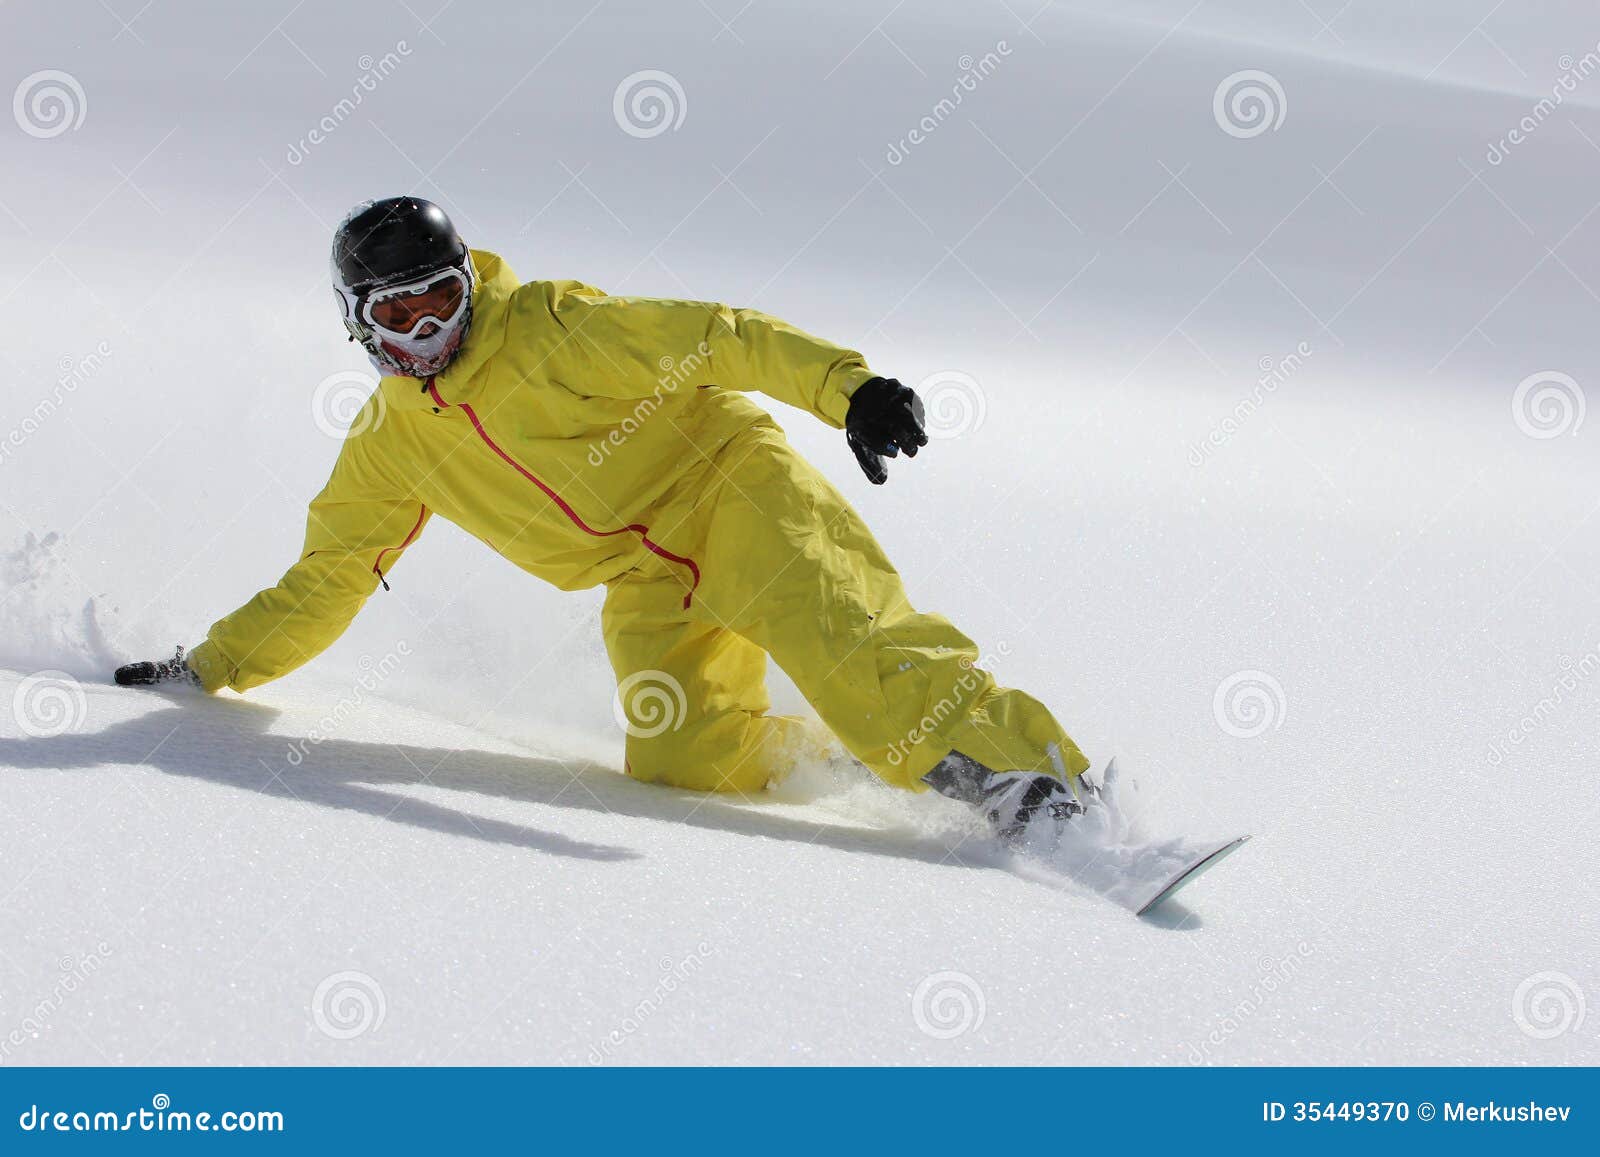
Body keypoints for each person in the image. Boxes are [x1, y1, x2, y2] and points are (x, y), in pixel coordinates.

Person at [115, 196, 1094, 843]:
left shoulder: (552, 327)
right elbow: (326, 575)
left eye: (440, 302)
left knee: (854, 652)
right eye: (397, 316)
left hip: (729, 489)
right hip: (648, 579)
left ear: (469, 284)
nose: (426, 332)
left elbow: (718, 336)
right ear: (357, 322)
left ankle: (1050, 794)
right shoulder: (389, 445)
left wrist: (848, 390)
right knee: (684, 760)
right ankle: (848, 754)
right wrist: (214, 665)